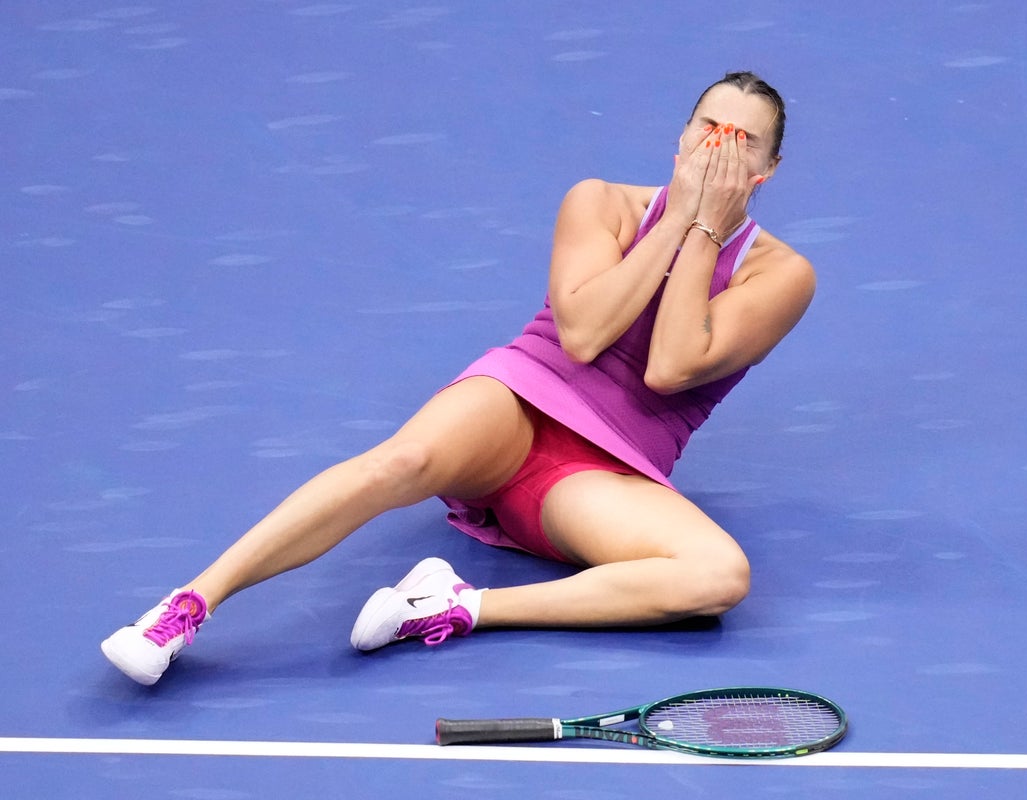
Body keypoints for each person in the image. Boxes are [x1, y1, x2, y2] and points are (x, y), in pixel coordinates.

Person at [101, 71, 816, 686]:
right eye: (709, 128)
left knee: (719, 576)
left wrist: (706, 230)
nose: (720, 148)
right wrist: (675, 222)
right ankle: (187, 606)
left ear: (769, 169)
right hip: (515, 404)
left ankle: (455, 604)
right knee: (400, 461)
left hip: (600, 478)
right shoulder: (600, 202)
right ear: (681, 136)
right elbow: (584, 333)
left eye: (743, 142)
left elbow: (669, 368)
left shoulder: (780, 274)